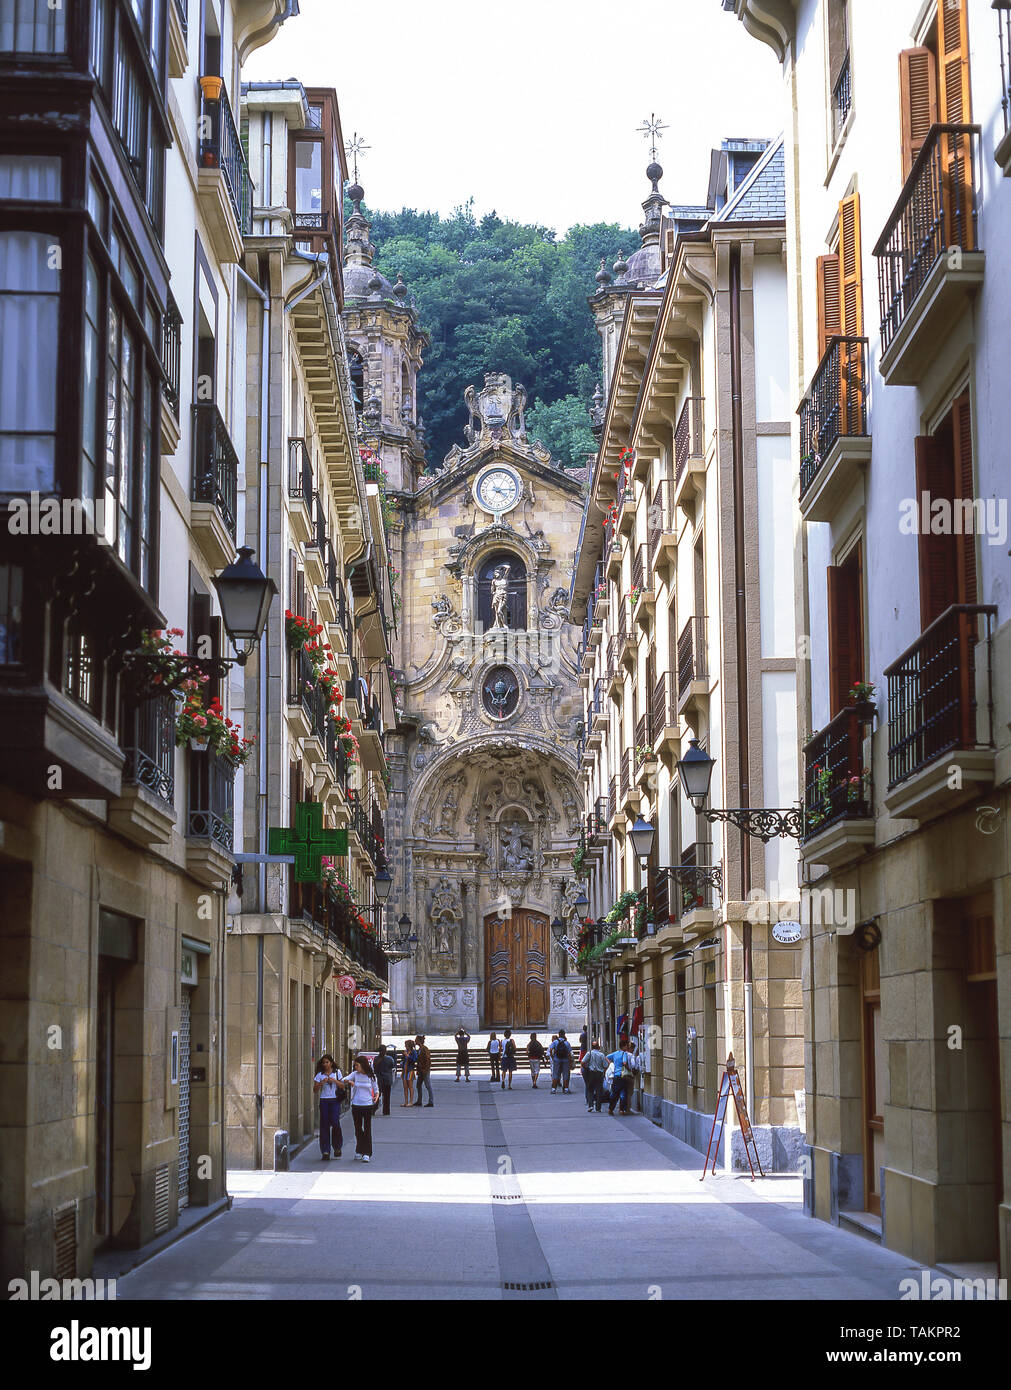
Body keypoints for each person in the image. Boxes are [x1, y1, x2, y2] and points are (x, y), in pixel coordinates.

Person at [346, 1056, 380, 1162]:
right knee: (358, 1129)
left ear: (363, 1065)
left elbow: (376, 1089)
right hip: (356, 1104)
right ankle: (359, 1150)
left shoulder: (371, 1076)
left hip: (367, 1104)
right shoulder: (355, 1074)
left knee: (367, 1128)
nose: (355, 1067)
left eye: (357, 1065)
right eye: (354, 1065)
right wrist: (349, 1082)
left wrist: (377, 1096)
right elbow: (344, 1079)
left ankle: (367, 1152)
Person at [313, 1054, 345, 1160]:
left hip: (335, 1100)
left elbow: (343, 1085)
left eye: (327, 1062)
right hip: (324, 1101)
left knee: (335, 1123)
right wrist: (322, 1083)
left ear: (331, 1063)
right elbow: (315, 1090)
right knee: (324, 1125)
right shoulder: (320, 1074)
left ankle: (337, 1147)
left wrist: (334, 1081)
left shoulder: (337, 1072)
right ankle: (325, 1151)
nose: (325, 1064)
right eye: (323, 1062)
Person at [606, 1037, 638, 1116]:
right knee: (623, 1093)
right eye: (627, 1046)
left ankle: (611, 1109)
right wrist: (629, 1069)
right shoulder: (624, 1054)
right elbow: (624, 1063)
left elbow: (606, 1057)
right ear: (624, 1046)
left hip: (616, 1076)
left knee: (614, 1093)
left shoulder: (615, 1053)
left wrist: (611, 1063)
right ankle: (622, 1110)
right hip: (623, 1075)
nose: (627, 1047)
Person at [582, 1039, 608, 1112]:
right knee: (599, 1090)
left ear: (592, 1047)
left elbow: (582, 1062)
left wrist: (586, 1068)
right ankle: (598, 1108)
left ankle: (590, 1105)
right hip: (599, 1074)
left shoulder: (589, 1053)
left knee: (590, 1089)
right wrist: (603, 1073)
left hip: (591, 1073)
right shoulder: (602, 1055)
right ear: (598, 1047)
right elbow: (605, 1065)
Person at [413, 1035, 434, 1106]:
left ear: (419, 1041)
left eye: (416, 1040)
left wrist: (425, 1069)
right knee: (418, 1085)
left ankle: (431, 1101)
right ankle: (419, 1101)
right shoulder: (419, 1049)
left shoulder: (424, 1049)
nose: (415, 1041)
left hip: (424, 1070)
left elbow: (428, 1060)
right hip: (421, 1070)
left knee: (428, 1085)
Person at [375, 1044, 395, 1116]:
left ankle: (374, 1108)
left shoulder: (376, 1059)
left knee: (377, 1094)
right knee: (387, 1096)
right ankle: (386, 1111)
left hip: (379, 1079)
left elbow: (375, 1068)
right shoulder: (389, 1059)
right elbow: (392, 1066)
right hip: (387, 1079)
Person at [401, 1038, 417, 1107]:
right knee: (405, 1086)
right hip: (405, 1070)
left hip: (410, 1070)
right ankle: (406, 1101)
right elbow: (402, 1059)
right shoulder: (406, 1051)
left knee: (410, 1086)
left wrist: (408, 1056)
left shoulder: (413, 1052)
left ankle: (411, 1101)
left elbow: (414, 1060)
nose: (405, 1046)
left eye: (406, 1045)